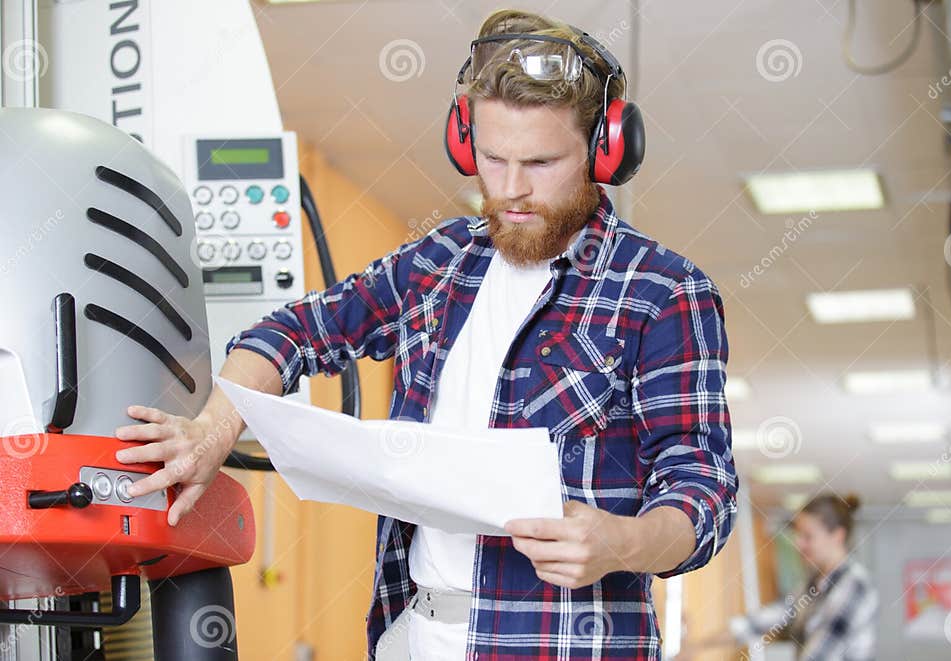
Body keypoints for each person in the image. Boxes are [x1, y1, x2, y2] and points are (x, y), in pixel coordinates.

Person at [114, 9, 738, 660]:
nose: (512, 189)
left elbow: (704, 488)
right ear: (465, 143)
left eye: (541, 162)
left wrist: (622, 542)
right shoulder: (439, 263)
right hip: (414, 631)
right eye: (492, 159)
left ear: (603, 150)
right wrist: (212, 429)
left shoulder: (664, 291)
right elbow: (295, 330)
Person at [676, 494, 878, 661]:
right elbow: (757, 622)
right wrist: (699, 645)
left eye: (808, 536)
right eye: (798, 535)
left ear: (837, 536)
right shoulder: (812, 585)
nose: (799, 544)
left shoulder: (853, 586)